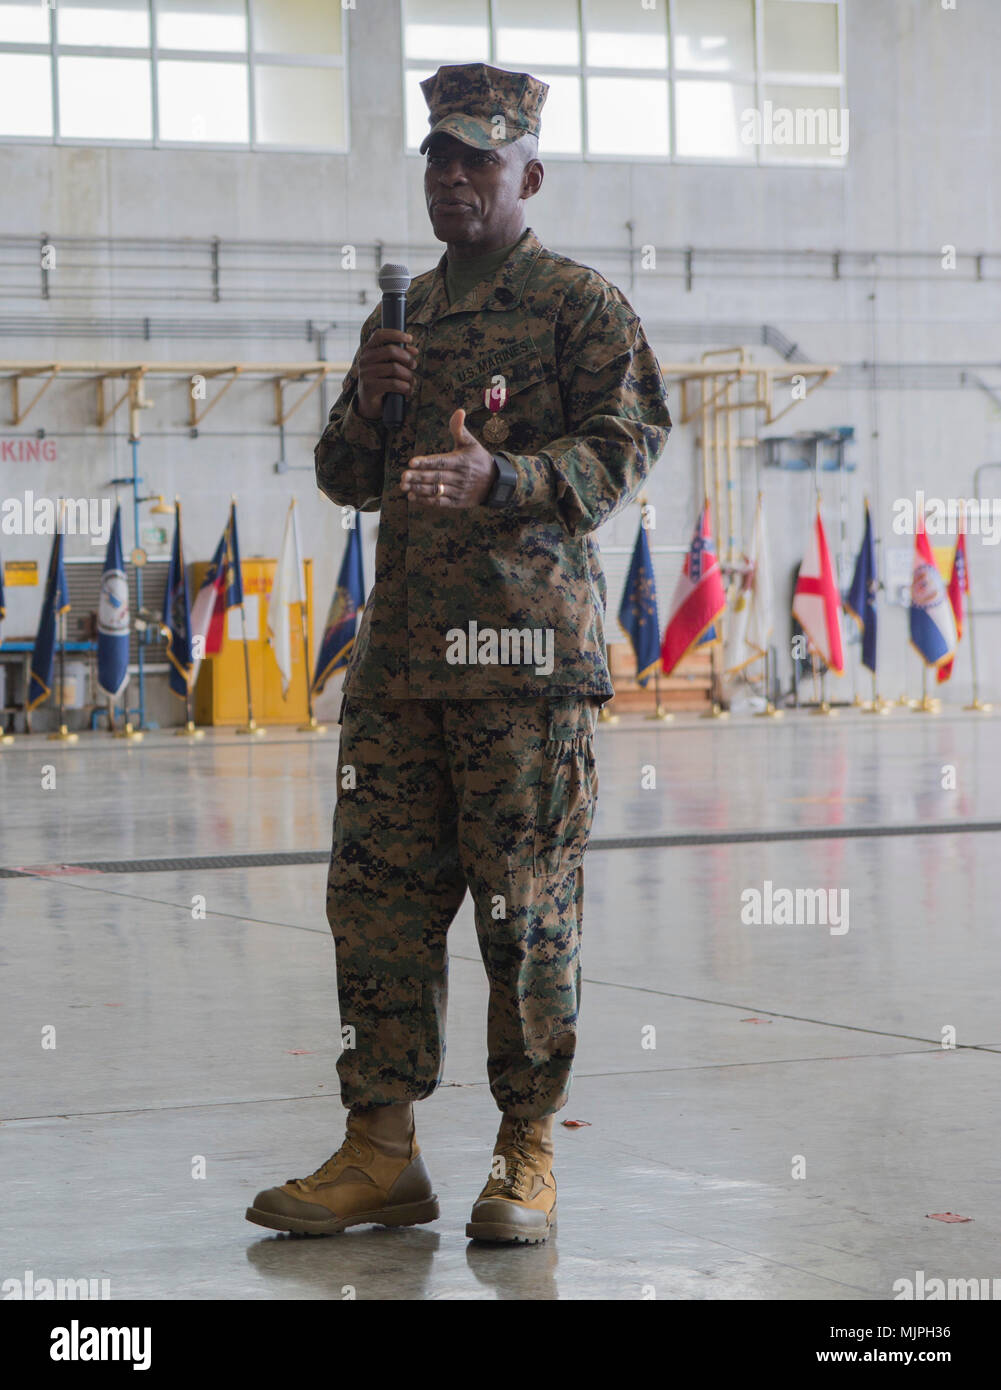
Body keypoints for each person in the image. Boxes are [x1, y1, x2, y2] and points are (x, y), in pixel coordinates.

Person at [247, 61, 672, 1245]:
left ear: (526, 174)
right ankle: (380, 1150)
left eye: (475, 156)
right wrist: (373, 411)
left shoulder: (574, 305)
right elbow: (342, 475)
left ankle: (525, 1152)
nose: (450, 174)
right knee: (374, 907)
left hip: (523, 668)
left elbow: (627, 448)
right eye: (437, 155)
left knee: (523, 915)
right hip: (401, 671)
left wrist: (506, 476)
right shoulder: (404, 317)